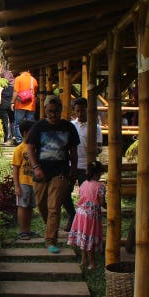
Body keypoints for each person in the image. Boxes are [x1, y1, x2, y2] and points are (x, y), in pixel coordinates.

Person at [26, 95, 79, 254]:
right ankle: (50, 226)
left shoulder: (68, 127)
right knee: (42, 205)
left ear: (61, 110)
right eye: (49, 111)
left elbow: (73, 151)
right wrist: (36, 167)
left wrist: (73, 170)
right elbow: (30, 148)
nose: (53, 114)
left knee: (54, 207)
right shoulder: (39, 126)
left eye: (56, 111)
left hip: (61, 171)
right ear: (45, 111)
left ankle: (51, 240)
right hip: (41, 171)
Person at [63, 97, 104, 231]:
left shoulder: (95, 127)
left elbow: (99, 147)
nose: (80, 114)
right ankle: (72, 216)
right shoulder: (71, 125)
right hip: (71, 165)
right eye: (77, 111)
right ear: (74, 111)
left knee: (86, 196)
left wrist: (95, 150)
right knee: (64, 193)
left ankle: (84, 222)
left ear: (88, 110)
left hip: (86, 166)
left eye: (83, 111)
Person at [68, 161, 106, 269]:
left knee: (83, 236)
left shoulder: (84, 183)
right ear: (98, 173)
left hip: (80, 214)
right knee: (90, 238)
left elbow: (82, 196)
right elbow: (102, 202)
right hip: (91, 216)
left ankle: (83, 260)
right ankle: (92, 263)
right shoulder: (100, 186)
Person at [12, 119, 38, 240]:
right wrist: (16, 186)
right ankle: (22, 231)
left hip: (35, 182)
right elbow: (16, 169)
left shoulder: (35, 147)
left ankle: (28, 230)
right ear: (26, 133)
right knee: (23, 206)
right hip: (23, 183)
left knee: (30, 206)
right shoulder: (19, 149)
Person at [13, 69, 38, 145]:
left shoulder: (18, 79)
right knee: (30, 124)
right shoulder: (33, 80)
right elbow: (35, 92)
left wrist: (12, 102)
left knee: (18, 123)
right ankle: (29, 139)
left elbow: (16, 92)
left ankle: (20, 141)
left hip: (20, 104)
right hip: (31, 105)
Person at [0, 69, 15, 144]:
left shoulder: (1, 85)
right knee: (13, 121)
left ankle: (6, 138)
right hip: (12, 105)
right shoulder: (14, 85)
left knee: (4, 122)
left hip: (3, 105)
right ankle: (13, 137)